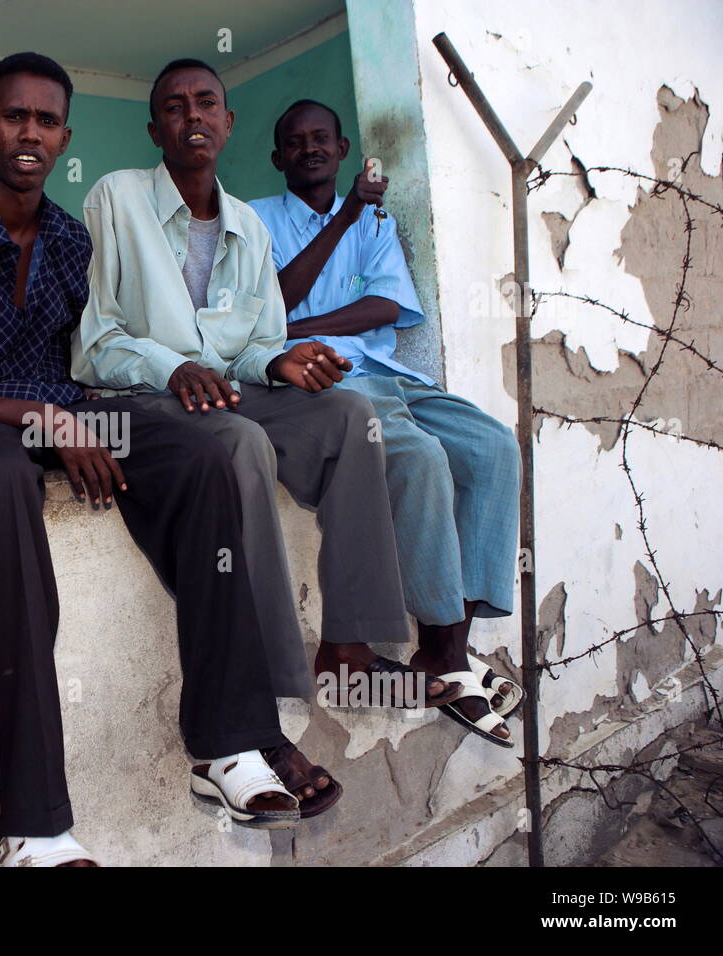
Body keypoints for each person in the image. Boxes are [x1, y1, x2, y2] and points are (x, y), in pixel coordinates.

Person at [0, 53, 308, 866]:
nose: (30, 133)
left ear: (64, 135)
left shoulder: (74, 238)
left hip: (63, 415)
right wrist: (35, 416)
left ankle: (228, 743)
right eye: (15, 117)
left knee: (199, 456)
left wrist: (65, 416)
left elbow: (91, 357)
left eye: (46, 121)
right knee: (7, 485)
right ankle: (29, 822)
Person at [72, 59, 466, 733]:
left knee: (350, 413)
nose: (192, 116)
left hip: (223, 390)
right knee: (243, 440)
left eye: (206, 104)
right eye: (175, 107)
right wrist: (173, 368)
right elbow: (95, 340)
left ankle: (347, 649)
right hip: (141, 394)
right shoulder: (117, 199)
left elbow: (250, 345)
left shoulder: (248, 229)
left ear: (227, 123)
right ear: (155, 128)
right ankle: (270, 676)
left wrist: (283, 360)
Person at [249, 99, 522, 746]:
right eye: (295, 140)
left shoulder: (375, 223)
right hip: (324, 380)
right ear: (277, 157)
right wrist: (342, 217)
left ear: (343, 150)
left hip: (388, 374)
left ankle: (445, 649)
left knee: (492, 447)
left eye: (322, 138)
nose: (309, 148)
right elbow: (272, 302)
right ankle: (450, 660)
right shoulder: (254, 220)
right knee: (419, 459)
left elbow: (384, 305)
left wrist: (297, 323)